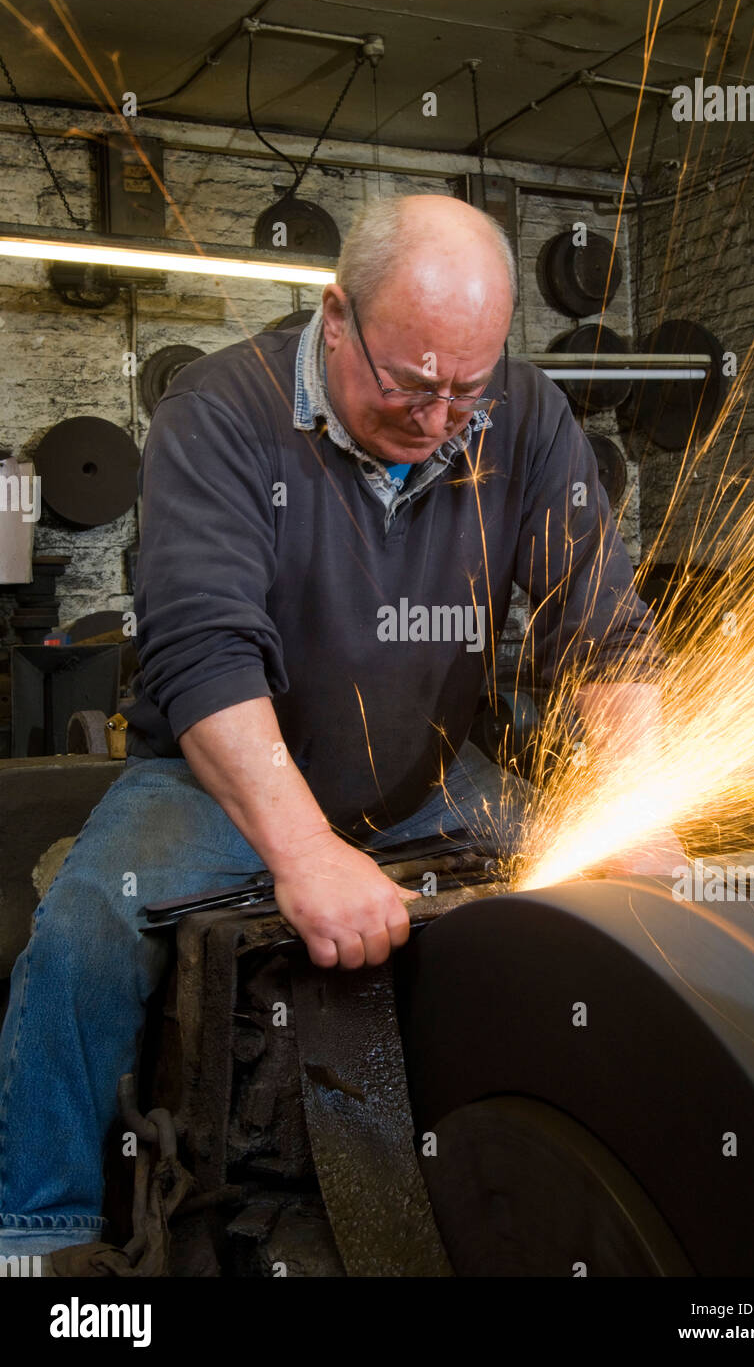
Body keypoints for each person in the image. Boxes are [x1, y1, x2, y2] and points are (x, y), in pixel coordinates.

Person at [0, 194, 681, 1262]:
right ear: (334, 312)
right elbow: (201, 654)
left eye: (467, 391)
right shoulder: (217, 413)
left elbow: (598, 632)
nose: (437, 419)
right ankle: (36, 1227)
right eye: (411, 383)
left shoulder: (528, 414)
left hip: (423, 779)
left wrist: (640, 815)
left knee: (588, 907)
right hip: (218, 777)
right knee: (83, 935)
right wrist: (306, 849)